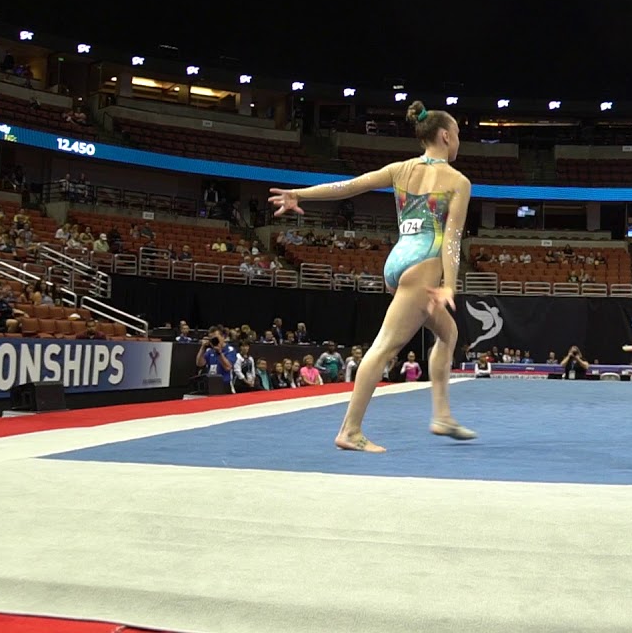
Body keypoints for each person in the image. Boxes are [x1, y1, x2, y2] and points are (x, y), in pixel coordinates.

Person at [269, 100, 474, 453]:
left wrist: (298, 194)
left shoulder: (399, 169)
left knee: (448, 332)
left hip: (397, 262)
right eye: (457, 134)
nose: (459, 140)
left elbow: (347, 187)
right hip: (423, 264)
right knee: (384, 347)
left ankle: (442, 415)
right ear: (443, 136)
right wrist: (450, 285)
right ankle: (350, 430)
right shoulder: (457, 181)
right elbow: (451, 240)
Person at [196, 327, 237, 391]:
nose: (214, 341)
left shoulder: (230, 350)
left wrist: (219, 353)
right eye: (211, 339)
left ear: (223, 337)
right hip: (211, 383)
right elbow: (200, 364)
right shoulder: (209, 350)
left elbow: (228, 367)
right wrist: (203, 348)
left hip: (225, 384)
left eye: (216, 338)